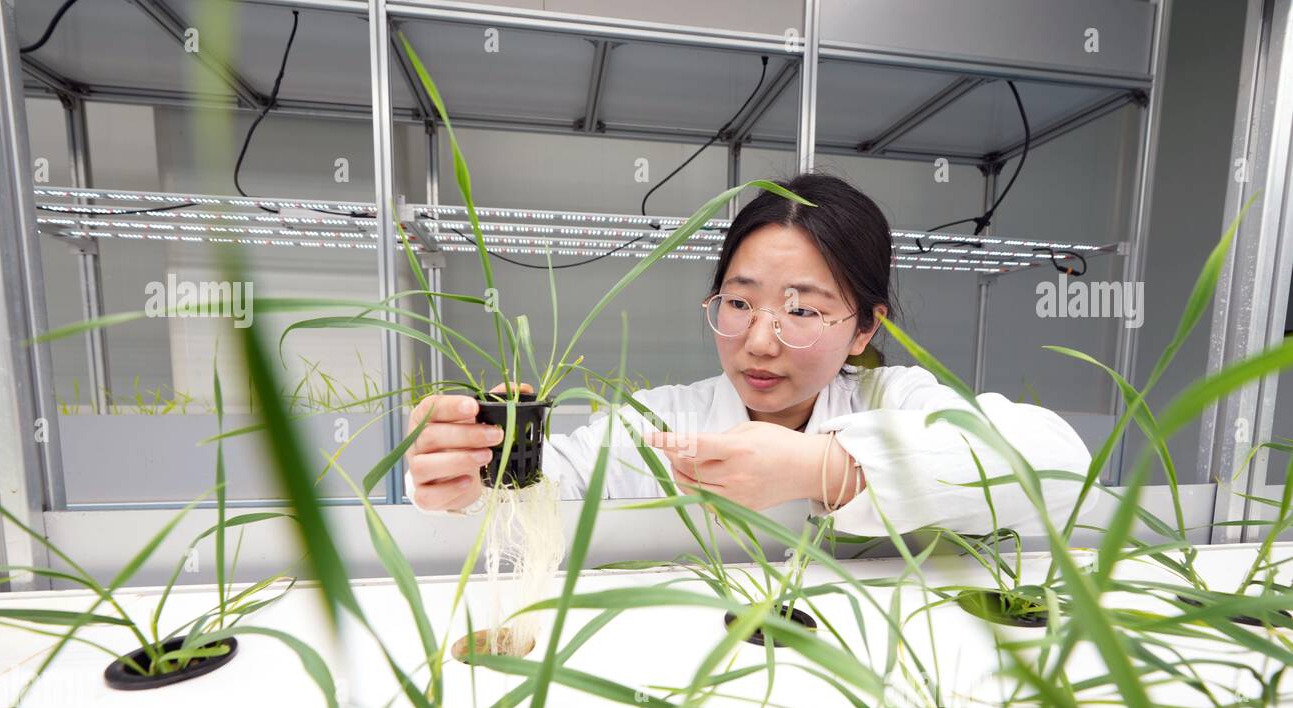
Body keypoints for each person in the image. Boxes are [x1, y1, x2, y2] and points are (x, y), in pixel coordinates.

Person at [404, 173, 1096, 537]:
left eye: (802, 310)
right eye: (738, 303)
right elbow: (557, 485)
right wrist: (469, 478)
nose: (760, 341)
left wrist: (826, 469)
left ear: (864, 329)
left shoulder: (893, 401)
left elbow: (1059, 464)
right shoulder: (668, 421)